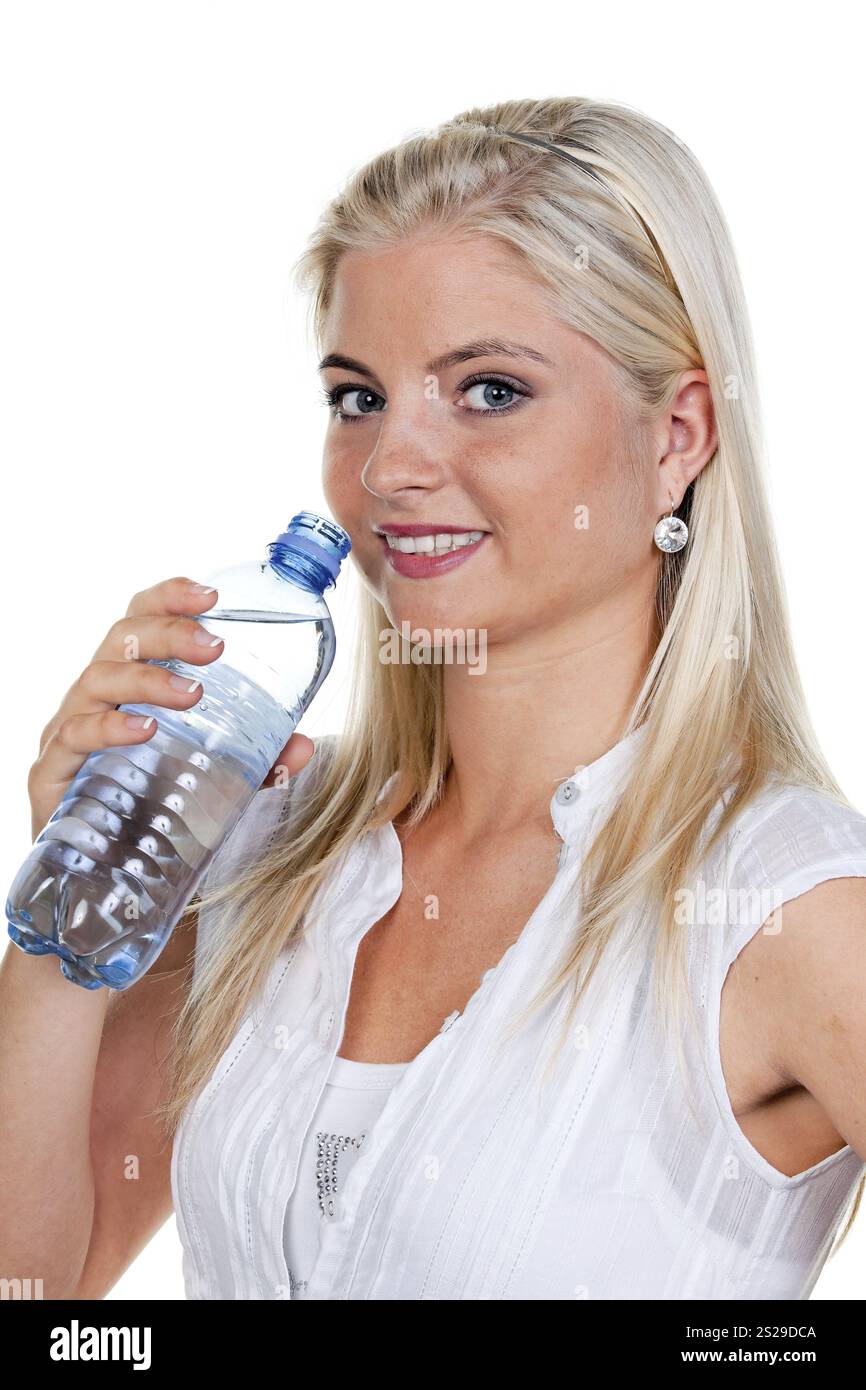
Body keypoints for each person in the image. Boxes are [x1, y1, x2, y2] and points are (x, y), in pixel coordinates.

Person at [3, 96, 866, 1302]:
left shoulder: (784, 906)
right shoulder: (268, 849)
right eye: (358, 396)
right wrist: (70, 912)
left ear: (675, 434)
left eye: (489, 390)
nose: (390, 466)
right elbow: (41, 1290)